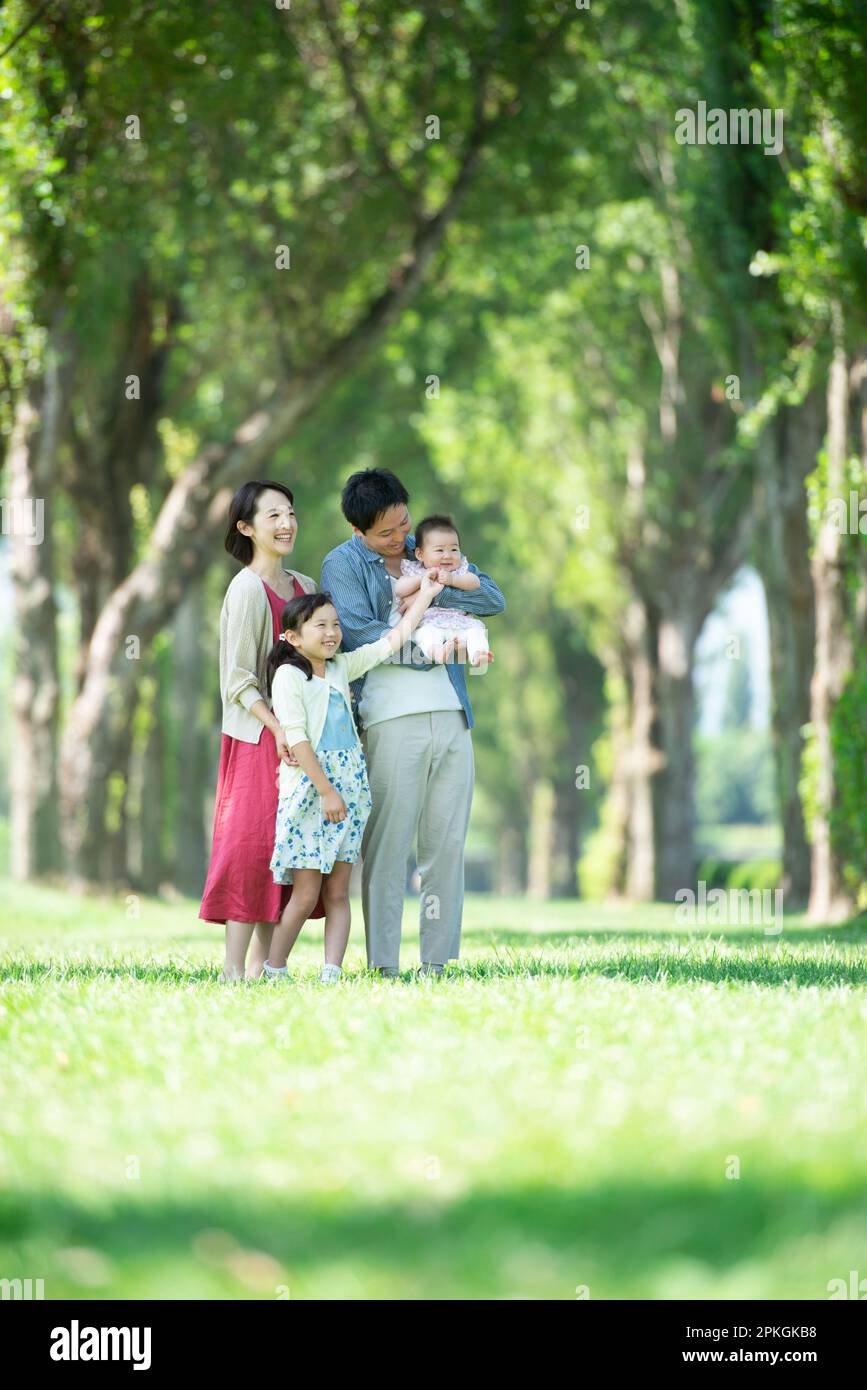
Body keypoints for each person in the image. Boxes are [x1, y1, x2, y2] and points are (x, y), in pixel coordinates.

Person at [320, 468, 505, 977]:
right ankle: (383, 965)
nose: (399, 538)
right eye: (386, 533)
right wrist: (427, 643)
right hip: (389, 717)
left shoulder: (429, 549)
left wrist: (439, 578)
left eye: (403, 524)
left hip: (451, 713)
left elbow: (492, 598)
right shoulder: (343, 564)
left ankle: (438, 963)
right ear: (359, 532)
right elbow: (358, 636)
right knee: (388, 848)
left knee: (445, 844)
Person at [263, 574, 442, 982]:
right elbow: (298, 739)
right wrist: (326, 791)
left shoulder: (342, 666)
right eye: (320, 626)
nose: (331, 633)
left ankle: (332, 972)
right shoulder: (290, 677)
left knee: (339, 891)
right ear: (292, 637)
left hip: (350, 791)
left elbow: (392, 640)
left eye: (334, 624)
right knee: (306, 894)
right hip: (312, 792)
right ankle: (274, 969)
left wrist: (426, 595)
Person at [199, 479, 324, 981]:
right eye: (273, 515)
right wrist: (279, 730)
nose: (286, 523)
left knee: (284, 848)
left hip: (301, 740)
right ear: (246, 528)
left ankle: (265, 969)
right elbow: (237, 681)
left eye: (290, 513)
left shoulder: (305, 587)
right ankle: (233, 969)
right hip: (258, 737)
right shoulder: (247, 588)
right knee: (250, 847)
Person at [394, 513, 493, 669]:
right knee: (425, 635)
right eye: (439, 550)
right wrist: (421, 579)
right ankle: (437, 652)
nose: (448, 556)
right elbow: (399, 589)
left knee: (476, 630)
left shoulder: (458, 571)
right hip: (429, 622)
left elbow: (475, 582)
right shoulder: (417, 571)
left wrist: (453, 580)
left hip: (460, 623)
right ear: (420, 554)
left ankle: (478, 655)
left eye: (454, 549)